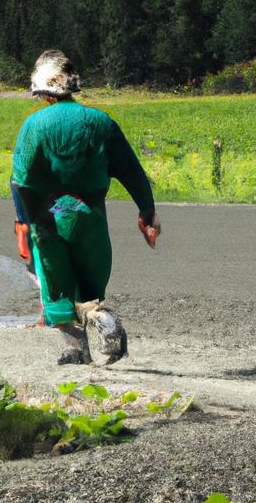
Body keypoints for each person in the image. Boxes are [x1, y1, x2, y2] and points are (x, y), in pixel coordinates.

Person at [11, 49, 161, 364]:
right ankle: (108, 325)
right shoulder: (100, 122)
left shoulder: (35, 125)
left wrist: (24, 221)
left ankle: (75, 349)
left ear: (40, 90)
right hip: (90, 215)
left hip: (48, 216)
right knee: (91, 283)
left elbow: (21, 181)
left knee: (57, 286)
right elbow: (132, 170)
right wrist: (146, 211)